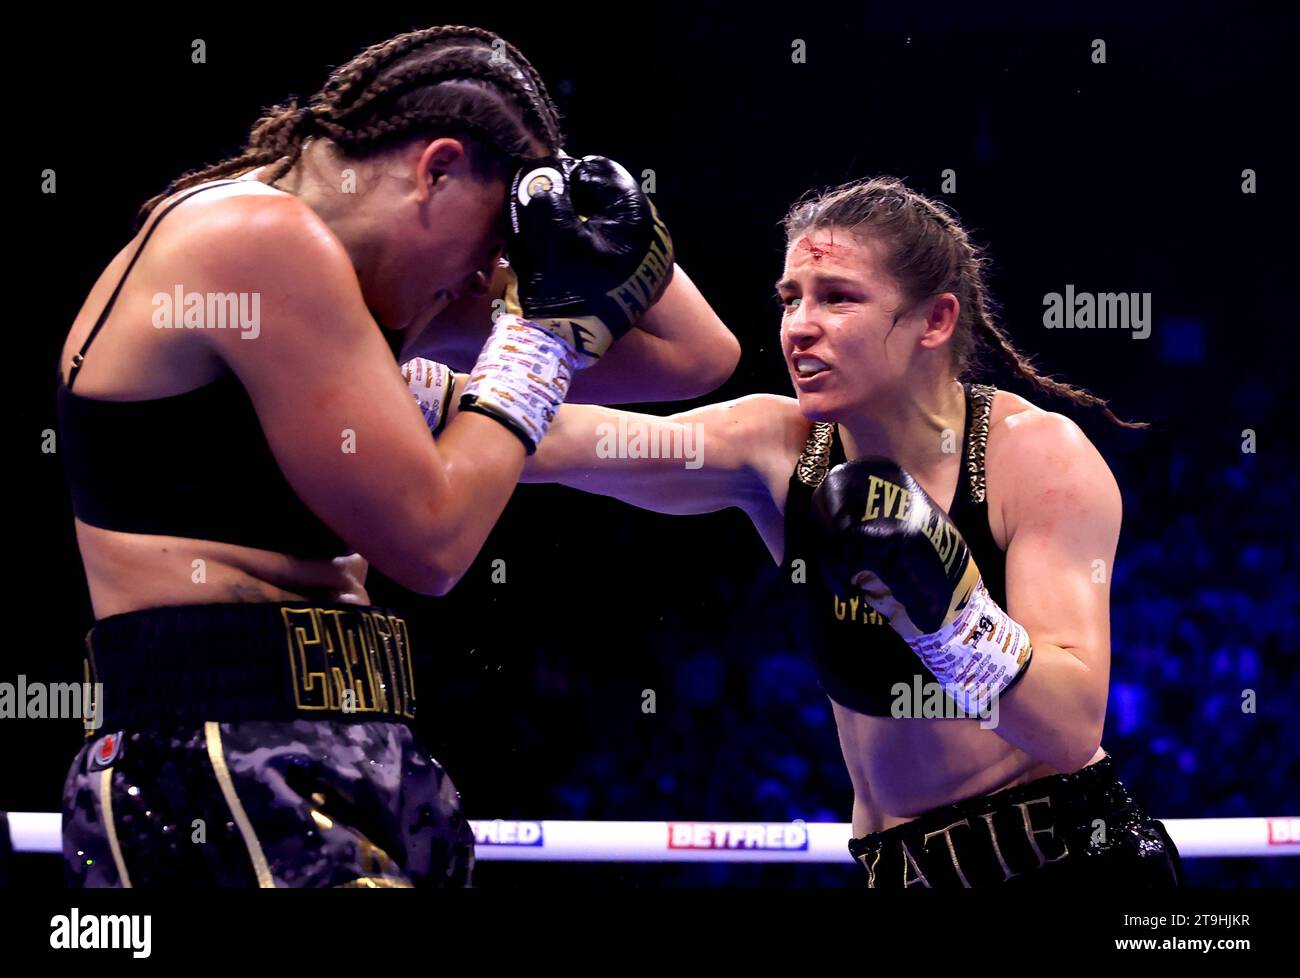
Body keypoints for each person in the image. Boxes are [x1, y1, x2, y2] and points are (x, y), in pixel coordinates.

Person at [55, 25, 737, 888]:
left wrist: (572, 199)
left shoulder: (363, 284)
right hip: (217, 752)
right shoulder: (253, 240)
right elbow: (432, 541)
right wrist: (538, 338)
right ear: (436, 169)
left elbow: (696, 355)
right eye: (496, 247)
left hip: (345, 739)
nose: (489, 277)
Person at [500, 175, 1184, 888]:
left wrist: (948, 616)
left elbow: (1071, 728)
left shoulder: (1035, 458)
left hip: (1063, 862)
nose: (798, 325)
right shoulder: (775, 448)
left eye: (837, 297)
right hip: (896, 873)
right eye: (790, 298)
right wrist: (410, 371)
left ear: (936, 320)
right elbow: (547, 439)